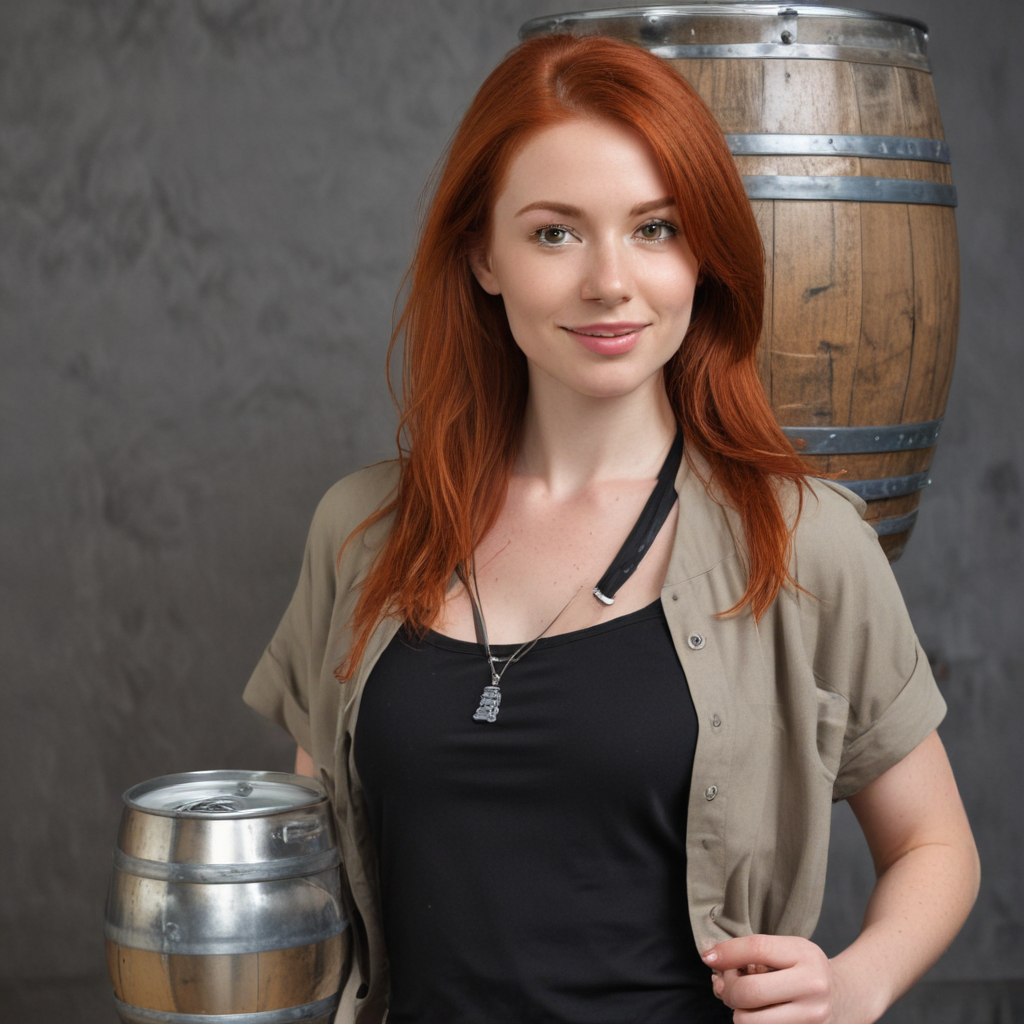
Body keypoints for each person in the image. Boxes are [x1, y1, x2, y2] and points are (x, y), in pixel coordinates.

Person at [243, 32, 979, 1024]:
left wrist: (857, 982)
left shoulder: (805, 542)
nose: (609, 281)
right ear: (482, 253)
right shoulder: (361, 530)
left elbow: (935, 847)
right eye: (554, 233)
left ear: (702, 253)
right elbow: (307, 861)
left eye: (654, 228)